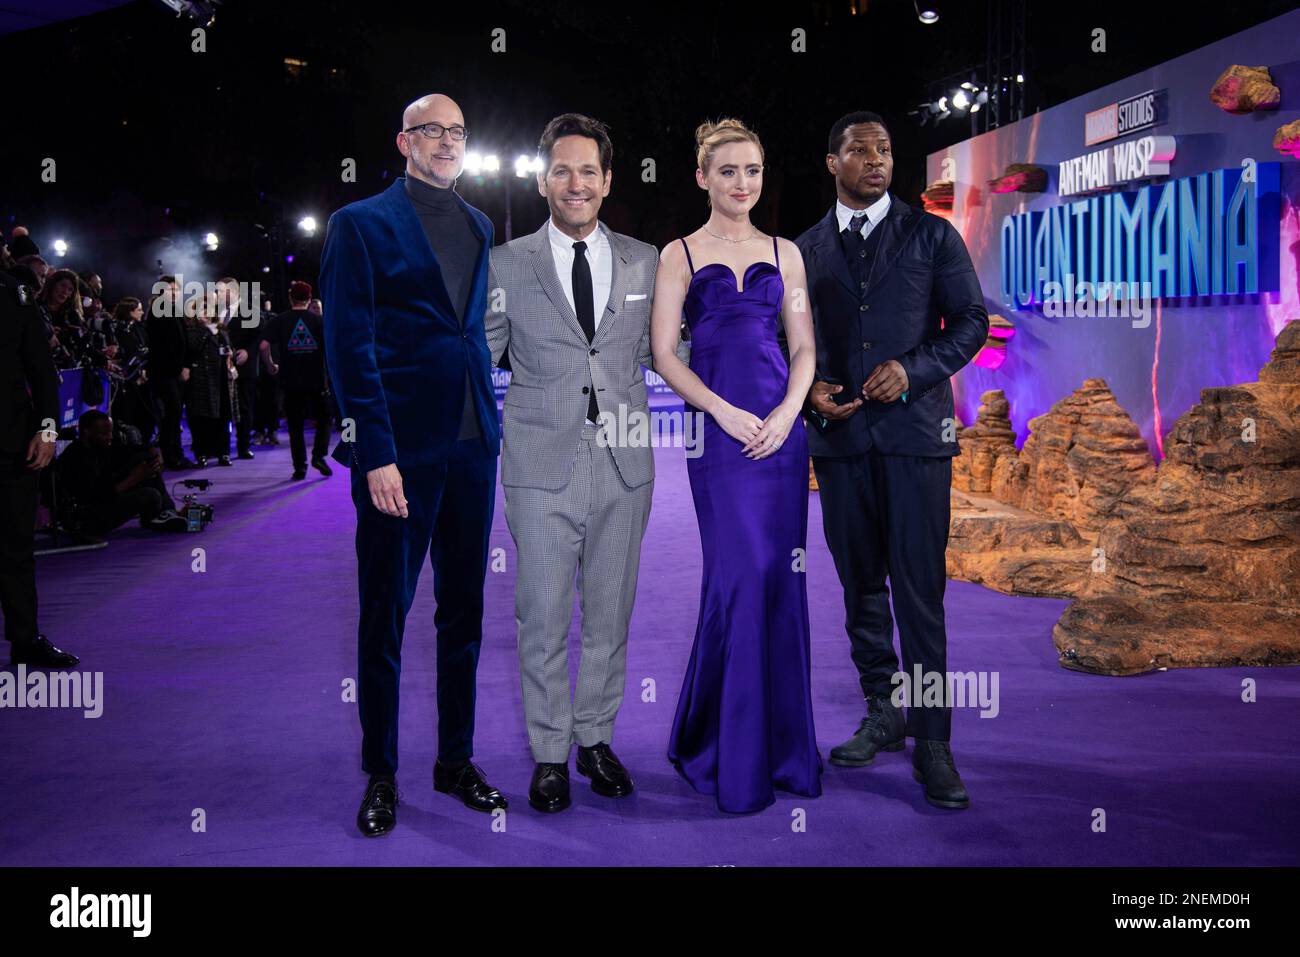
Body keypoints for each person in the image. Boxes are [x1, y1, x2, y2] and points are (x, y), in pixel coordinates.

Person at [321, 92, 506, 838]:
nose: (449, 142)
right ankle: (382, 771)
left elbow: (470, 334)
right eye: (434, 130)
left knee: (464, 613)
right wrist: (375, 454)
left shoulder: (479, 223)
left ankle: (454, 761)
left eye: (459, 131)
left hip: (472, 448)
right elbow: (349, 345)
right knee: (385, 616)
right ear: (404, 140)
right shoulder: (359, 224)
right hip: (399, 455)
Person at [795, 111, 988, 810]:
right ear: (831, 161)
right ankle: (884, 709)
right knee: (860, 591)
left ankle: (934, 741)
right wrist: (808, 388)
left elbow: (972, 322)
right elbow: (792, 339)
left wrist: (914, 368)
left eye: (883, 149)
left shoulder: (932, 234)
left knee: (920, 596)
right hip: (839, 441)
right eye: (858, 148)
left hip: (914, 441)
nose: (875, 159)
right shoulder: (803, 249)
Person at [485, 113, 658, 814]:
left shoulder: (647, 259)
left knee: (611, 613)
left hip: (625, 464)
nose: (576, 182)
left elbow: (665, 354)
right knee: (543, 614)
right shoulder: (505, 263)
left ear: (608, 181)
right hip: (538, 462)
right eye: (562, 169)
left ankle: (595, 736)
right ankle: (551, 751)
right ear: (541, 180)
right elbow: (477, 354)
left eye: (589, 170)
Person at [649, 119, 821, 813]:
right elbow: (665, 354)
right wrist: (722, 413)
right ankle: (726, 750)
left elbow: (804, 346)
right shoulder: (678, 254)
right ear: (701, 177)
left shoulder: (788, 253)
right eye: (728, 171)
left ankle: (780, 751)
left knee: (781, 581)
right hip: (719, 440)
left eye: (752, 170)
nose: (742, 183)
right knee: (739, 577)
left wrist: (787, 414)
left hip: (781, 439)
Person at [0, 270, 78, 668]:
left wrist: (48, 430)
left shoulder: (15, 292)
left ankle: (25, 640)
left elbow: (42, 370)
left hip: (11, 440)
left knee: (15, 547)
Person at [55, 410, 187, 538]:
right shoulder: (75, 458)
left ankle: (167, 512)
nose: (110, 437)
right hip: (88, 515)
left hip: (107, 495)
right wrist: (134, 479)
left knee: (144, 459)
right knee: (150, 495)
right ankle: (160, 516)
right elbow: (95, 496)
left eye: (110, 432)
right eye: (104, 434)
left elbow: (132, 451)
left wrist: (153, 453)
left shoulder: (102, 447)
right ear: (86, 433)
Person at [260, 281, 332, 480]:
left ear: (290, 298)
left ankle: (300, 467)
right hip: (317, 379)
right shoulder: (319, 321)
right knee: (325, 419)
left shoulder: (280, 320)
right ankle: (319, 455)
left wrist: (271, 365)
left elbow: (263, 346)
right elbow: (333, 347)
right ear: (310, 300)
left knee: (295, 425)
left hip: (290, 381)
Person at [182, 290, 237, 467]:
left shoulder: (221, 330)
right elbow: (192, 349)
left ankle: (224, 452)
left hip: (220, 377)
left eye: (208, 310)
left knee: (223, 416)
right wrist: (206, 330)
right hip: (200, 379)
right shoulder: (191, 330)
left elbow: (229, 349)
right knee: (200, 418)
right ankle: (202, 453)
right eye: (201, 310)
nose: (204, 313)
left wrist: (230, 353)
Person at [146, 276, 195, 469]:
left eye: (176, 290)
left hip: (175, 371)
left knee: (175, 415)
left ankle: (176, 454)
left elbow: (182, 341)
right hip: (165, 372)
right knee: (171, 415)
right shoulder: (159, 310)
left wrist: (186, 365)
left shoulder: (174, 309)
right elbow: (164, 346)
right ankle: (171, 456)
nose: (174, 293)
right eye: (169, 290)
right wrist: (180, 368)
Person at [219, 277, 259, 460]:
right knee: (223, 408)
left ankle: (243, 446)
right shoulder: (215, 310)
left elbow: (260, 337)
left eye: (223, 290)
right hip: (220, 367)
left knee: (244, 407)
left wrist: (248, 352)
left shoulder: (249, 309)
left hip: (244, 367)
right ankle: (223, 449)